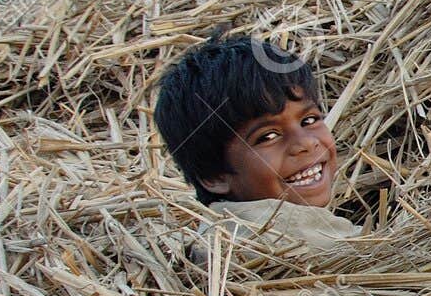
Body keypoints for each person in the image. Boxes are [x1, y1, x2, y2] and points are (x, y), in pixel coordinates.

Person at [154, 35, 360, 248]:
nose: (306, 143)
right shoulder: (280, 236)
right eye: (268, 136)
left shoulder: (222, 233)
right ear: (214, 176)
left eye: (309, 120)